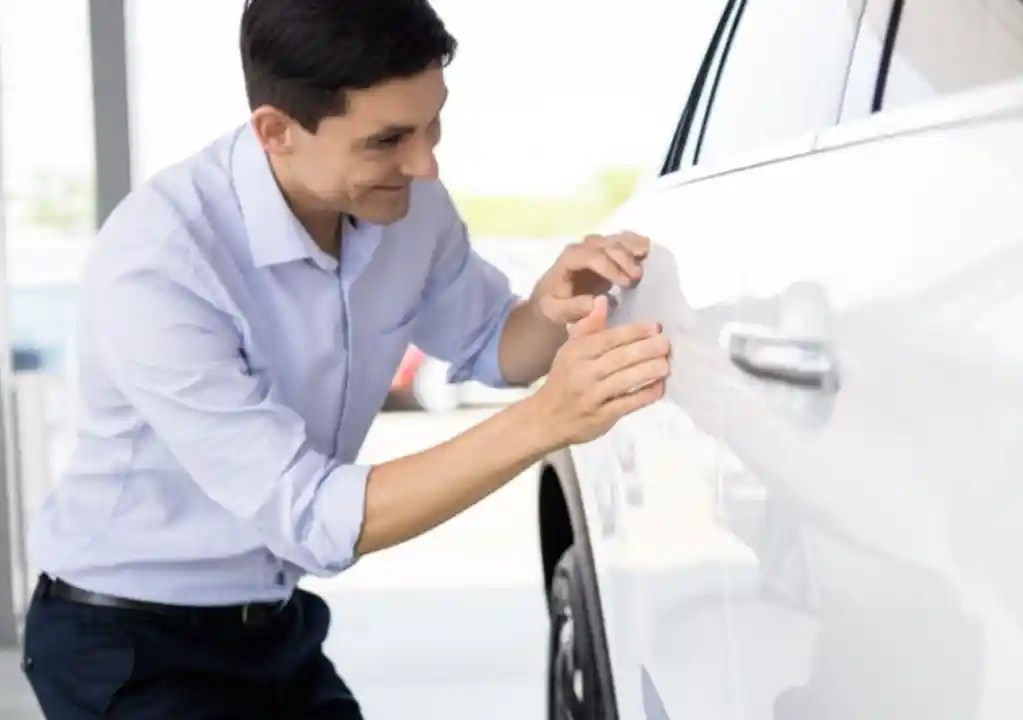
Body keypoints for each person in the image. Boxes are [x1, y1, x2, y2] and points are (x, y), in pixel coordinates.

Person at [20, 1, 670, 717]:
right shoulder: (160, 262)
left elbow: (493, 344)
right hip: (126, 641)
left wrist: (551, 307)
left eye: (434, 124)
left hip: (276, 625)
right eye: (388, 138)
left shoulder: (406, 204)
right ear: (276, 131)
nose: (424, 164)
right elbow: (311, 516)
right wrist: (545, 422)